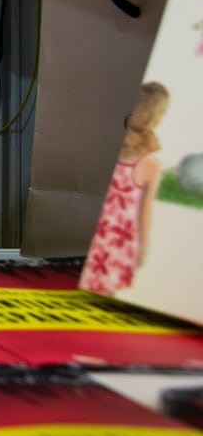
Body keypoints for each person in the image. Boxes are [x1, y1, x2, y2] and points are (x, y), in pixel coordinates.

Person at [82, 81, 166, 294]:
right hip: (120, 242)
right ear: (156, 116)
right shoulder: (151, 163)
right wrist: (144, 248)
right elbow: (145, 212)